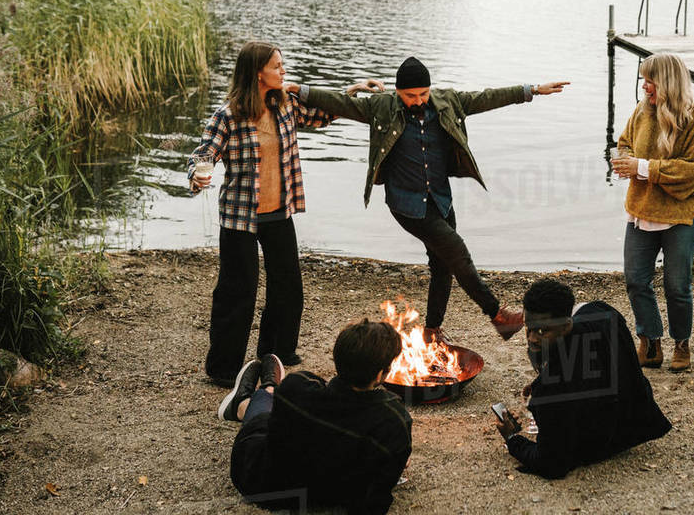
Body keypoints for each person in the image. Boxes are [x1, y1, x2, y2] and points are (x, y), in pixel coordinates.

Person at [293, 57, 569, 341]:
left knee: (443, 265)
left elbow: (487, 97)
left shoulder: (447, 101)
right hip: (406, 204)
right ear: (398, 92)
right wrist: (298, 89)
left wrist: (533, 90)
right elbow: (339, 103)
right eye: (410, 96)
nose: (418, 100)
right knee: (457, 251)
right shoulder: (382, 106)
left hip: (440, 199)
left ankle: (432, 330)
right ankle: (498, 315)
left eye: (423, 94)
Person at [188, 41, 377, 385]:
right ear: (258, 73)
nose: (283, 70)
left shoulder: (285, 105)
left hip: (278, 212)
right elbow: (203, 155)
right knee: (237, 293)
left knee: (288, 287)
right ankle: (223, 369)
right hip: (240, 217)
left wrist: (353, 91)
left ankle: (276, 354)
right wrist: (198, 177)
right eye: (277, 66)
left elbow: (323, 114)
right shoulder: (228, 115)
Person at [220, 321, 412, 514]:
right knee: (271, 413)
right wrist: (393, 458)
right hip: (332, 497)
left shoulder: (297, 387)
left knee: (266, 412)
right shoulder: (393, 423)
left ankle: (252, 397)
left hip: (264, 486)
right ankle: (252, 398)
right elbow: (376, 501)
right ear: (380, 373)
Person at [496, 278, 671, 479]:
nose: (532, 337)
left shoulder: (551, 390)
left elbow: (551, 465)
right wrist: (540, 381)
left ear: (566, 325)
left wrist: (511, 438)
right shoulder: (605, 314)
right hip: (634, 426)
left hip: (596, 445)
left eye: (543, 331)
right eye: (529, 327)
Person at [611, 52, 694, 373]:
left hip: (683, 211)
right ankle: (650, 342)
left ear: (668, 82)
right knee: (635, 280)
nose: (644, 86)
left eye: (650, 80)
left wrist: (642, 167)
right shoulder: (643, 111)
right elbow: (625, 142)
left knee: (677, 284)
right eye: (643, 79)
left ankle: (682, 343)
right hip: (643, 209)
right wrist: (622, 158)